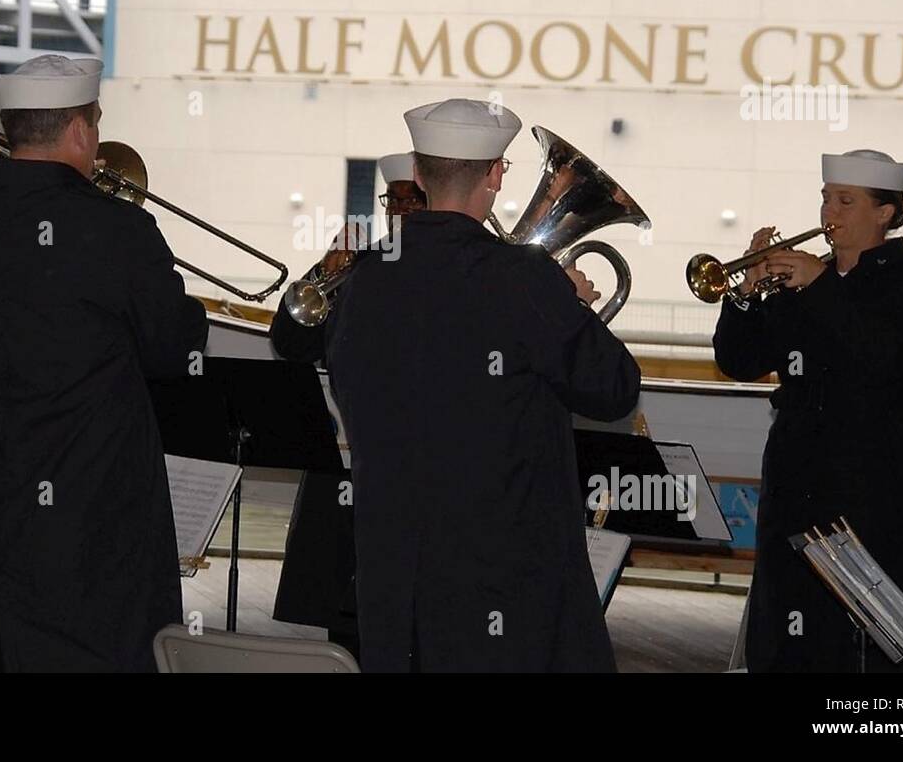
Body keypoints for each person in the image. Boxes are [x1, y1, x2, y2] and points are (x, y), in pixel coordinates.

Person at [0, 54, 207, 672]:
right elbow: (174, 351)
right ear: (78, 130)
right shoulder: (122, 230)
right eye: (94, 124)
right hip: (87, 528)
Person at [324, 98, 642, 672]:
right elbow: (616, 388)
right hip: (505, 584)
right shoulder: (524, 281)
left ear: (417, 175)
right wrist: (573, 309)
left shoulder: (364, 278)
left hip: (393, 580)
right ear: (496, 175)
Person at [714, 148, 903, 672]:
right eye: (825, 199)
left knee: (870, 631)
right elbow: (738, 360)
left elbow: (890, 362)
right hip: (794, 476)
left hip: (869, 482)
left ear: (884, 212)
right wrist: (747, 293)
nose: (828, 213)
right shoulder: (800, 285)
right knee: (786, 622)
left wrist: (821, 286)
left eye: (845, 201)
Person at [270, 153, 425, 658]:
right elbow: (291, 341)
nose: (398, 212)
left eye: (411, 201)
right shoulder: (362, 267)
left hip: (419, 475)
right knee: (348, 623)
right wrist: (321, 272)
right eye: (392, 201)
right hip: (352, 473)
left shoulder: (460, 271)